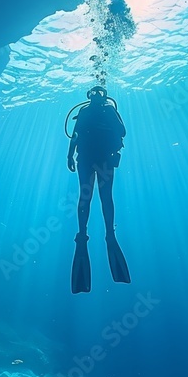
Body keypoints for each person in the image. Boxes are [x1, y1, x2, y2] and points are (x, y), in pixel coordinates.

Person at [66, 86, 130, 293]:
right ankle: (106, 234)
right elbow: (122, 132)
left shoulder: (91, 112)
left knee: (90, 198)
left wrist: (69, 155)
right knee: (102, 198)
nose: (95, 97)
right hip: (101, 159)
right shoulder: (107, 110)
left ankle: (85, 234)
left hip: (89, 158)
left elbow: (75, 136)